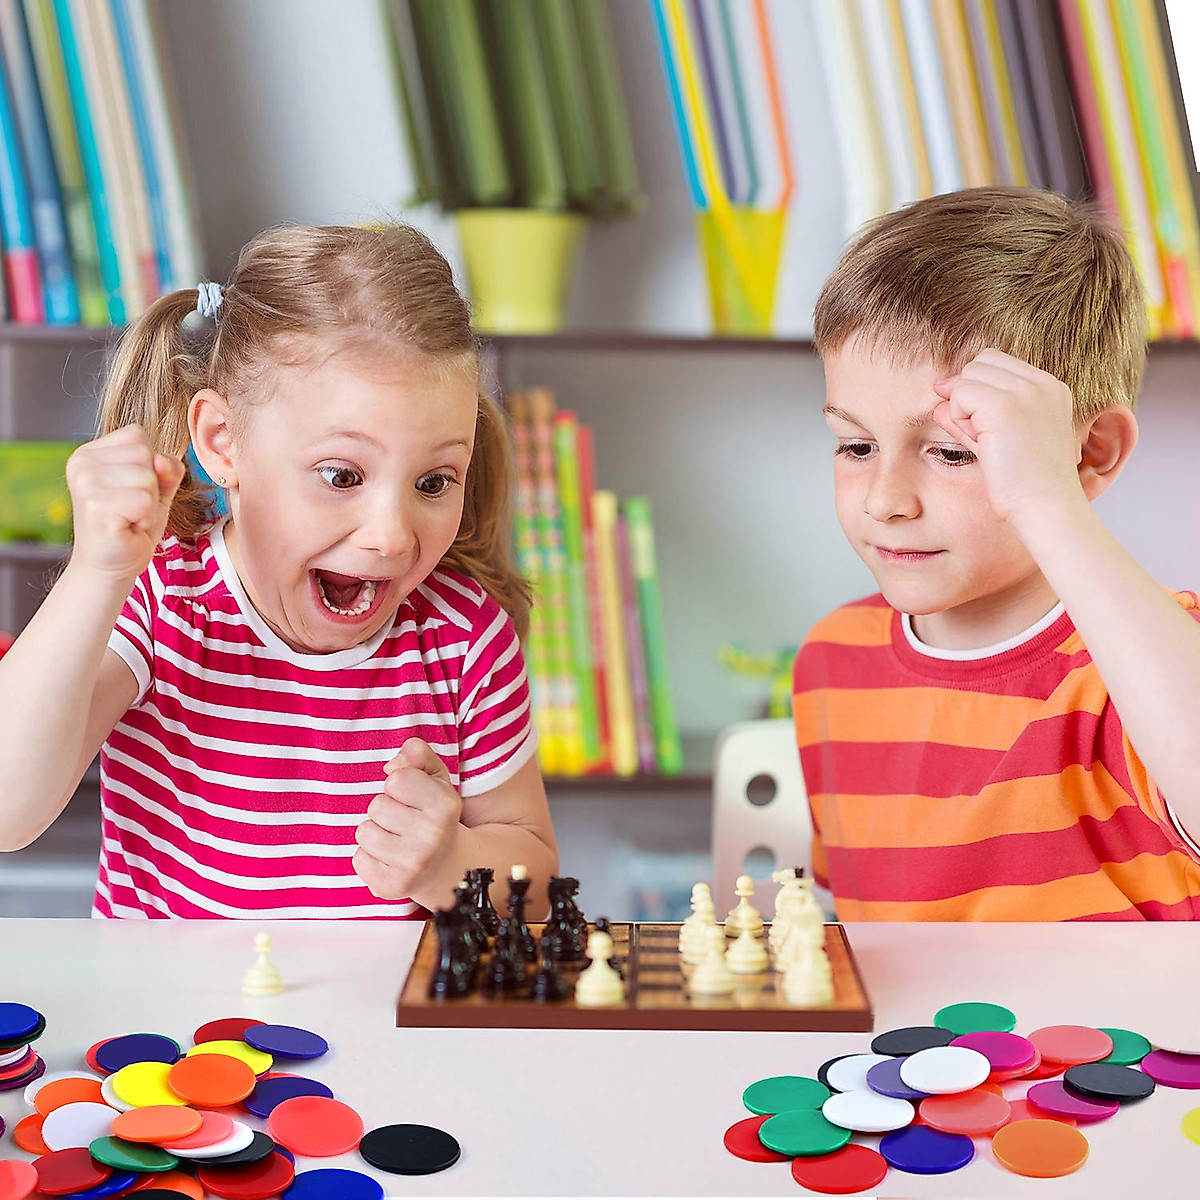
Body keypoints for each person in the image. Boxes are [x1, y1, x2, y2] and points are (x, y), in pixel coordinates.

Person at [0, 222, 558, 918]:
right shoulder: (159, 601)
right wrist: (94, 573)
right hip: (176, 994)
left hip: (386, 997)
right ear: (223, 443)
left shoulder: (464, 637)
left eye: (434, 482)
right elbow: (6, 813)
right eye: (341, 475)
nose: (390, 536)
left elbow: (535, 873)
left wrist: (453, 865)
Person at [794, 187, 1200, 920]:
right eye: (855, 446)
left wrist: (1048, 502)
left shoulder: (1147, 662)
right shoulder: (832, 661)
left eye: (953, 452)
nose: (885, 500)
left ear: (1090, 453)